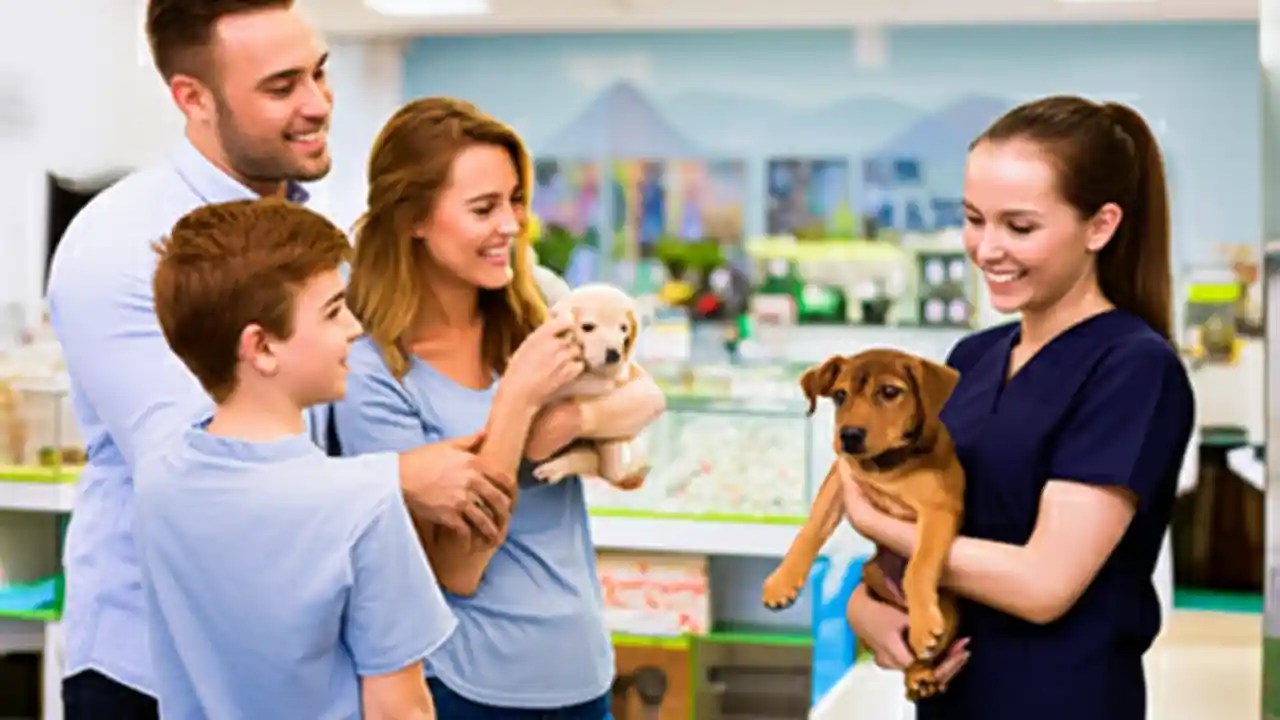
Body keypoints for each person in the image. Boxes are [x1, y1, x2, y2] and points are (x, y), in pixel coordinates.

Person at [46, 3, 510, 716]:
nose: (318, 104)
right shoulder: (118, 245)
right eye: (281, 86)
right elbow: (194, 476)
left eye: (320, 73)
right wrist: (394, 480)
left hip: (302, 664)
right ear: (192, 98)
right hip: (158, 673)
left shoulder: (313, 232)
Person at [843, 94, 1195, 720]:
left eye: (1020, 227)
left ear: (1101, 226)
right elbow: (930, 532)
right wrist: (866, 609)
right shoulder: (971, 360)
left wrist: (876, 522)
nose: (986, 249)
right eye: (975, 218)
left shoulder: (1133, 369)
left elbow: (1042, 585)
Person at [331, 96, 667, 718]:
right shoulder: (368, 368)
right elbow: (456, 567)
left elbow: (645, 395)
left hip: (582, 667)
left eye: (515, 201)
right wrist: (517, 403)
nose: (511, 225)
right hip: (462, 684)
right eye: (484, 208)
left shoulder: (542, 301)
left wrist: (570, 424)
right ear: (413, 218)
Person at [136, 198, 452, 718]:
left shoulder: (158, 481)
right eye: (333, 311)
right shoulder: (361, 505)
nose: (355, 327)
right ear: (260, 348)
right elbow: (401, 711)